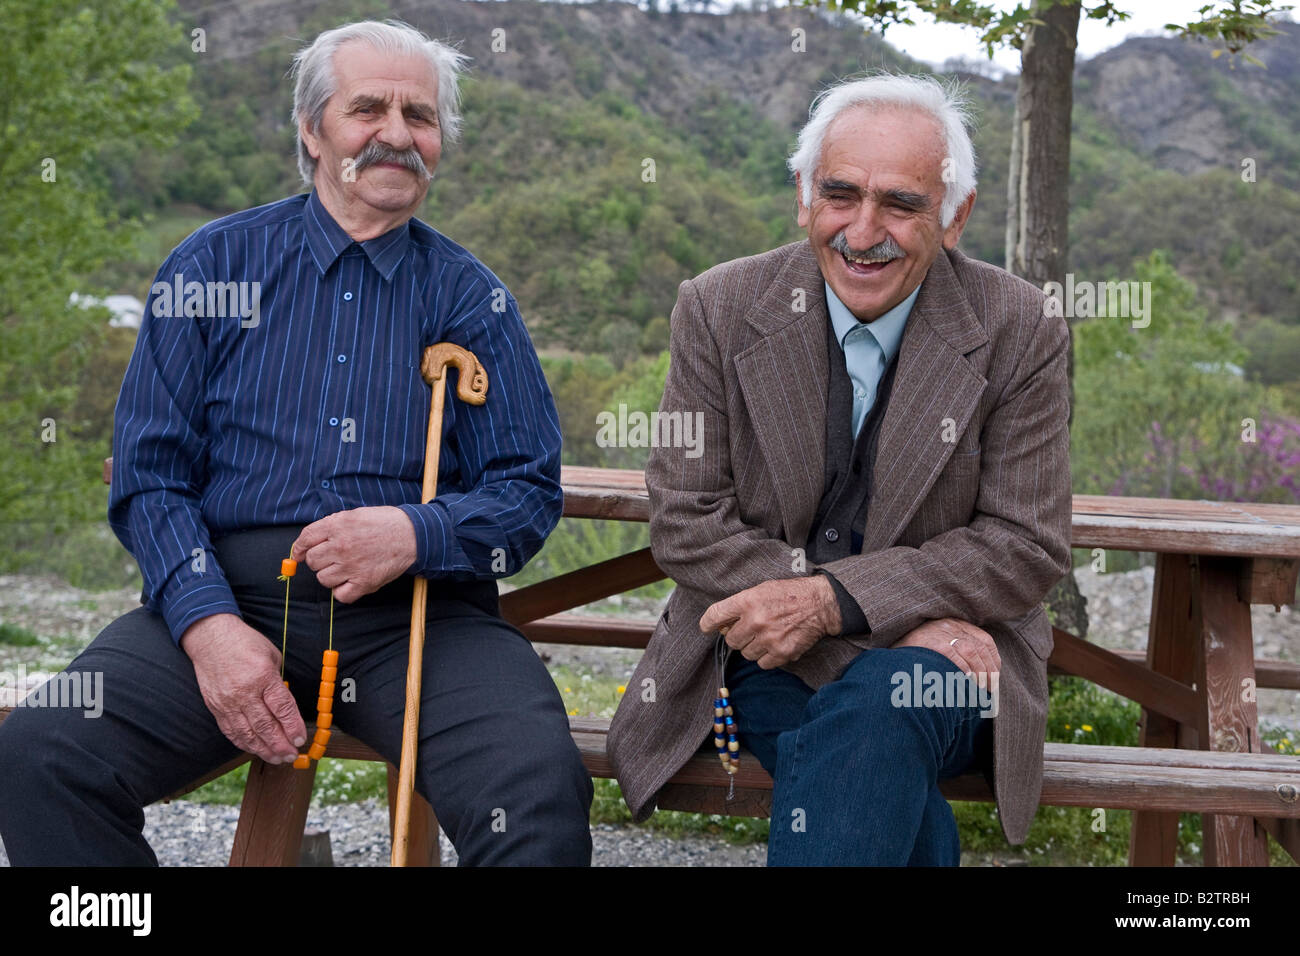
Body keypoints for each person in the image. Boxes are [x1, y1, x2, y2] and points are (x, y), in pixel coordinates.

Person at [0, 19, 592, 866]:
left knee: (535, 791)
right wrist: (206, 627)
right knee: (44, 755)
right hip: (230, 599)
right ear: (313, 130)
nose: (397, 134)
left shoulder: (474, 301)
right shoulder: (209, 270)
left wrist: (414, 533)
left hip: (419, 616)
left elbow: (526, 494)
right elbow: (148, 477)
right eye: (368, 109)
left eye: (419, 116)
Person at [607, 73, 1073, 866]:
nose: (864, 231)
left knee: (888, 703)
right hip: (771, 656)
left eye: (901, 204)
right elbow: (687, 518)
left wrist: (830, 604)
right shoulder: (718, 307)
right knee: (875, 751)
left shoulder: (1021, 328)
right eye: (841, 194)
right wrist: (856, 619)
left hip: (955, 666)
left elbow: (1023, 544)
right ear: (802, 196)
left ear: (954, 216)